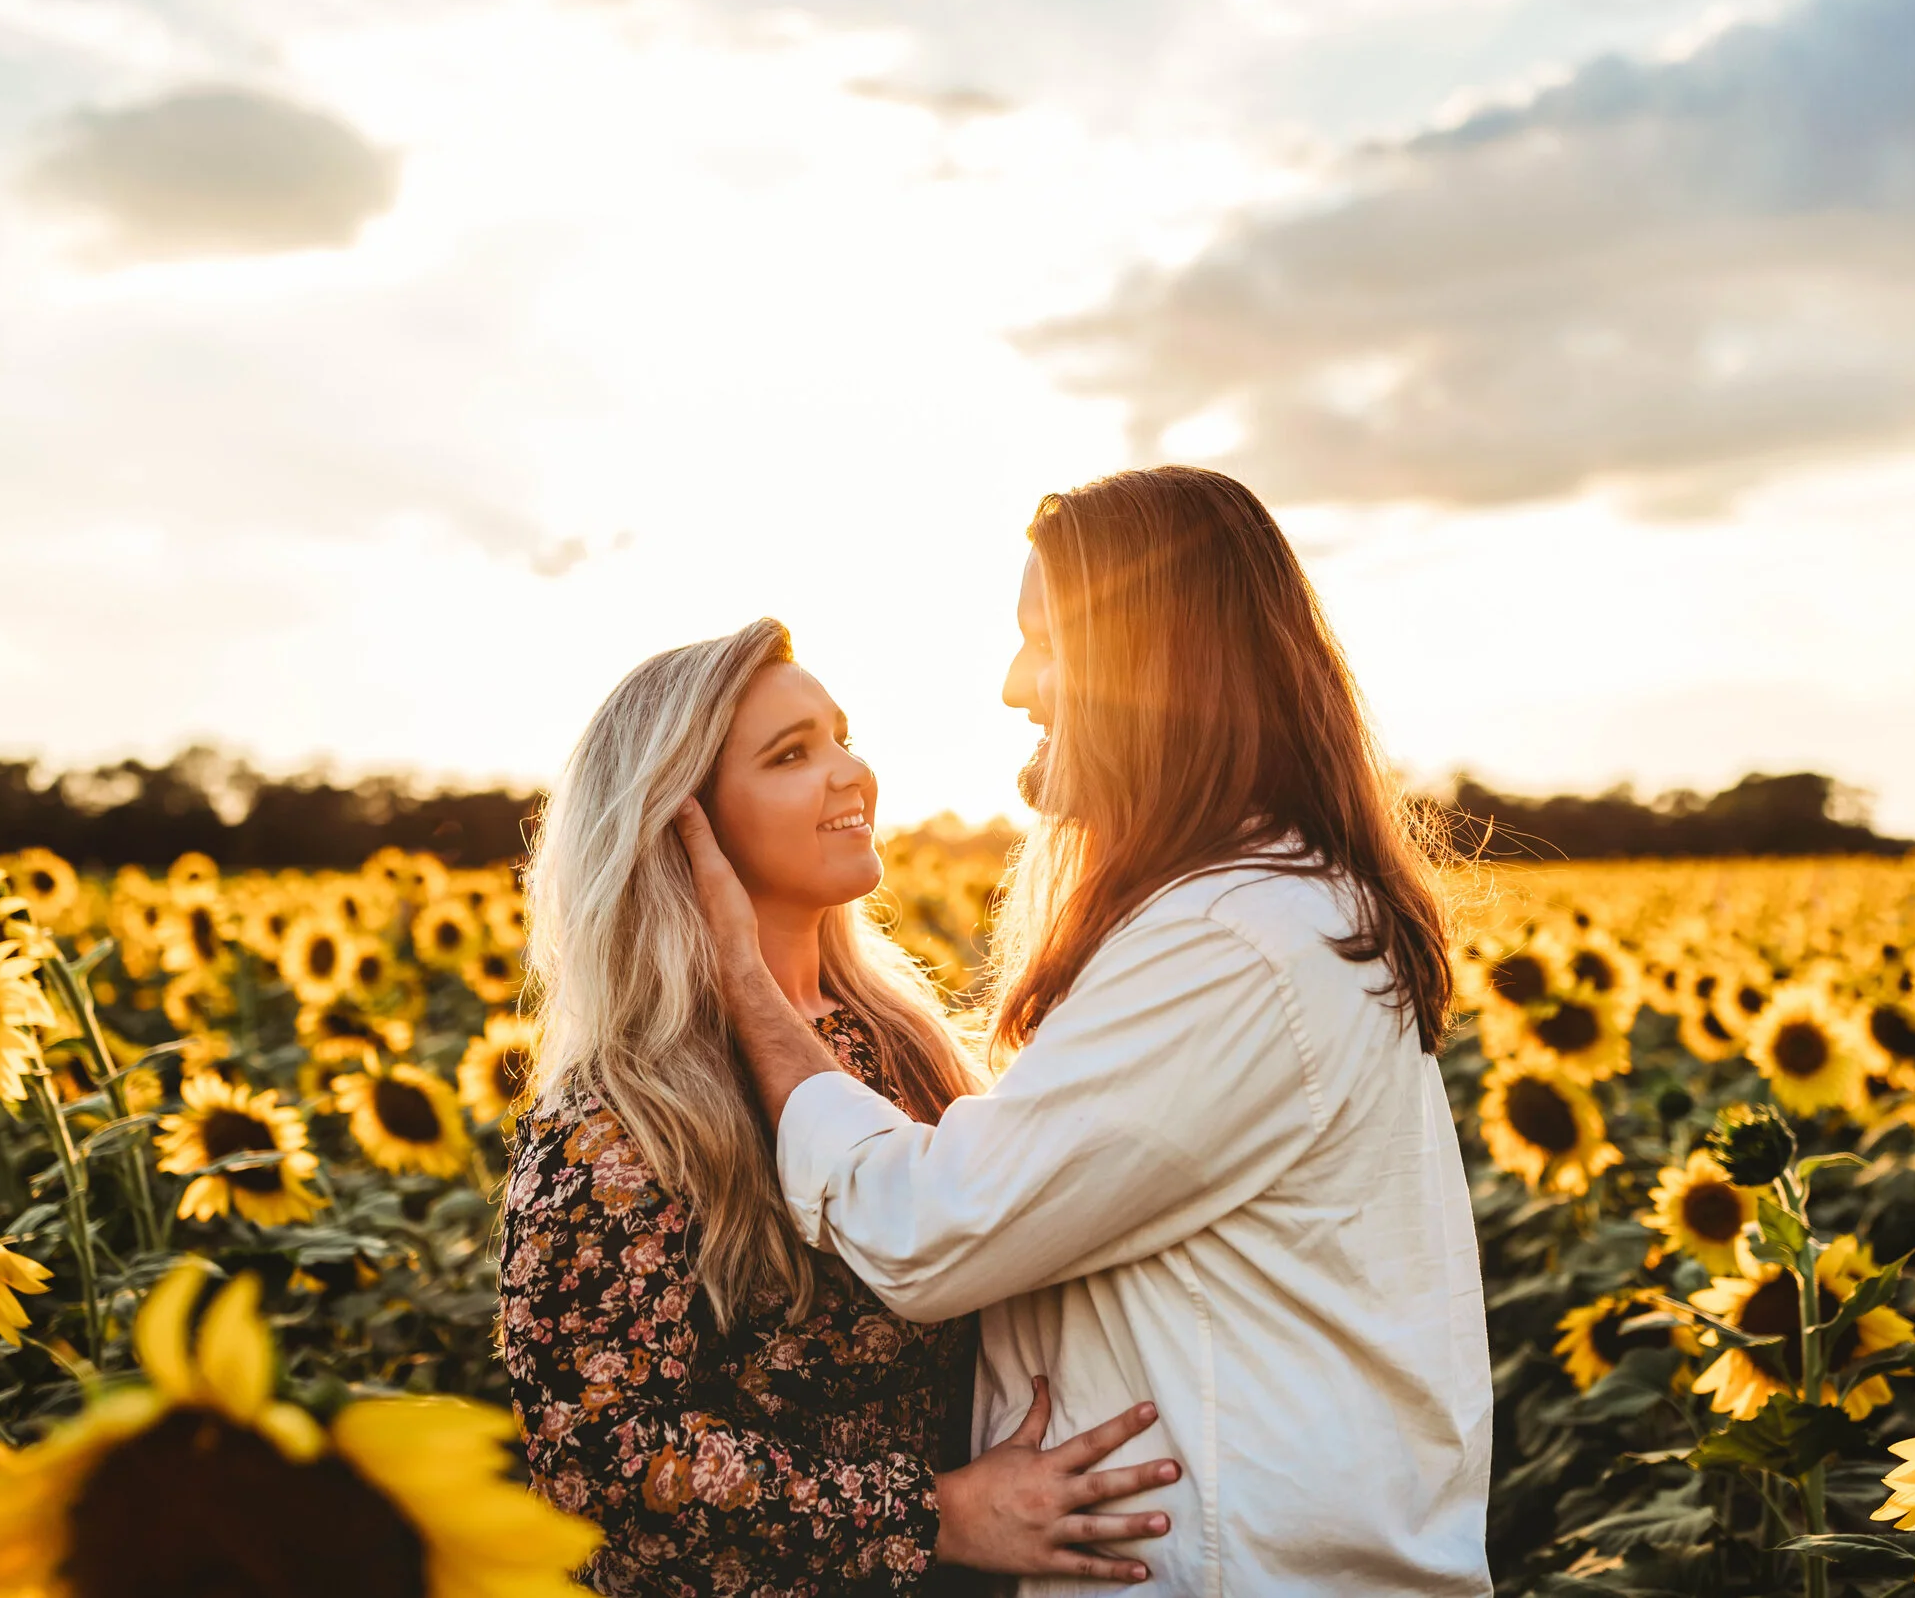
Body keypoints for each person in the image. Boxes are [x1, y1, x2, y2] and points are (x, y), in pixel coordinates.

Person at [677, 468, 1493, 1596]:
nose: (1016, 685)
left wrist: (746, 988)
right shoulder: (1243, 911)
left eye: (1047, 643)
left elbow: (933, 1227)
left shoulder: (1233, 944)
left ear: (1159, 669)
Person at [497, 618, 1180, 1598]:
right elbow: (598, 1456)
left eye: (840, 734)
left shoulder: (908, 1039)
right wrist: (934, 1513)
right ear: (683, 822)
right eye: (790, 754)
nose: (850, 772)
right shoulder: (628, 1106)